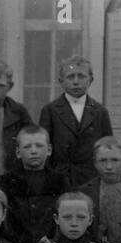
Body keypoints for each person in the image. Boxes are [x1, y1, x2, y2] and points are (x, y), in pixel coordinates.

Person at [39, 55, 113, 188]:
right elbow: (44, 148)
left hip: (91, 178)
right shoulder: (50, 110)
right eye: (70, 77)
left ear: (91, 80)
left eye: (81, 76)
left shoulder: (100, 111)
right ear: (61, 81)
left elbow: (108, 147)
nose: (76, 81)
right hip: (59, 178)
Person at [0, 126, 69, 243]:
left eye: (39, 146)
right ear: (18, 152)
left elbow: (66, 216)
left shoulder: (60, 181)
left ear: (49, 150)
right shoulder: (6, 182)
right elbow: (5, 221)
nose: (34, 151)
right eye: (27, 146)